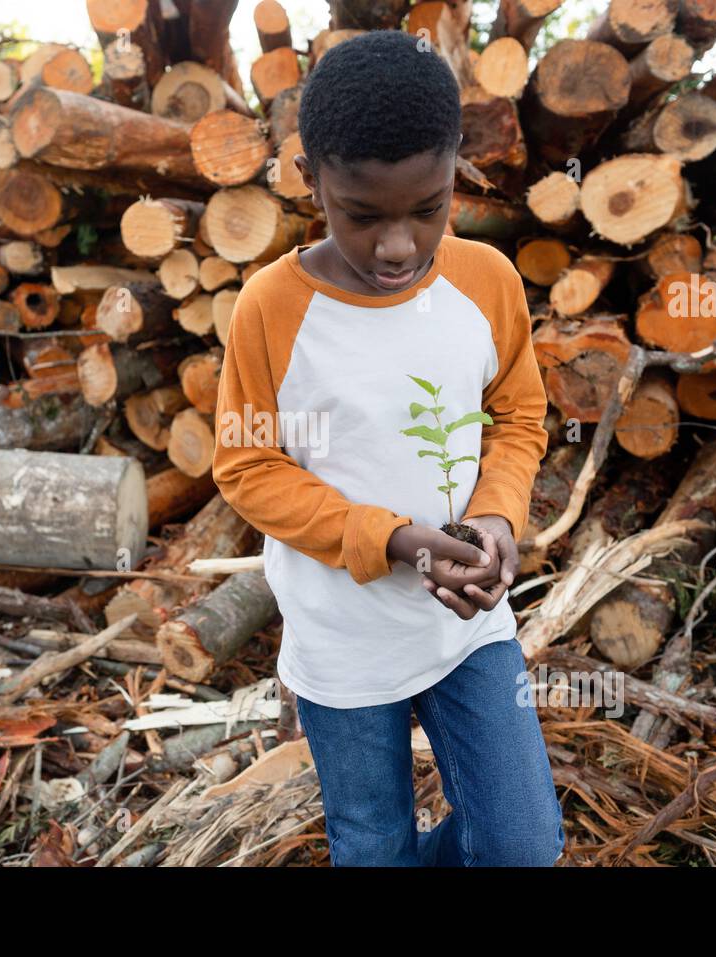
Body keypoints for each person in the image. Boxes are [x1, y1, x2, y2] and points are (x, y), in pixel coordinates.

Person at [211, 29, 563, 867]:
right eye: (362, 215)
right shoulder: (272, 307)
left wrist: (495, 516)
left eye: (429, 208)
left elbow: (516, 415)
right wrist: (392, 539)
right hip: (343, 639)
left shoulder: (487, 284)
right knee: (373, 849)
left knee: (519, 841)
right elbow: (247, 464)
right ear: (308, 181)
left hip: (467, 629)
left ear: (457, 174)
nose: (398, 245)